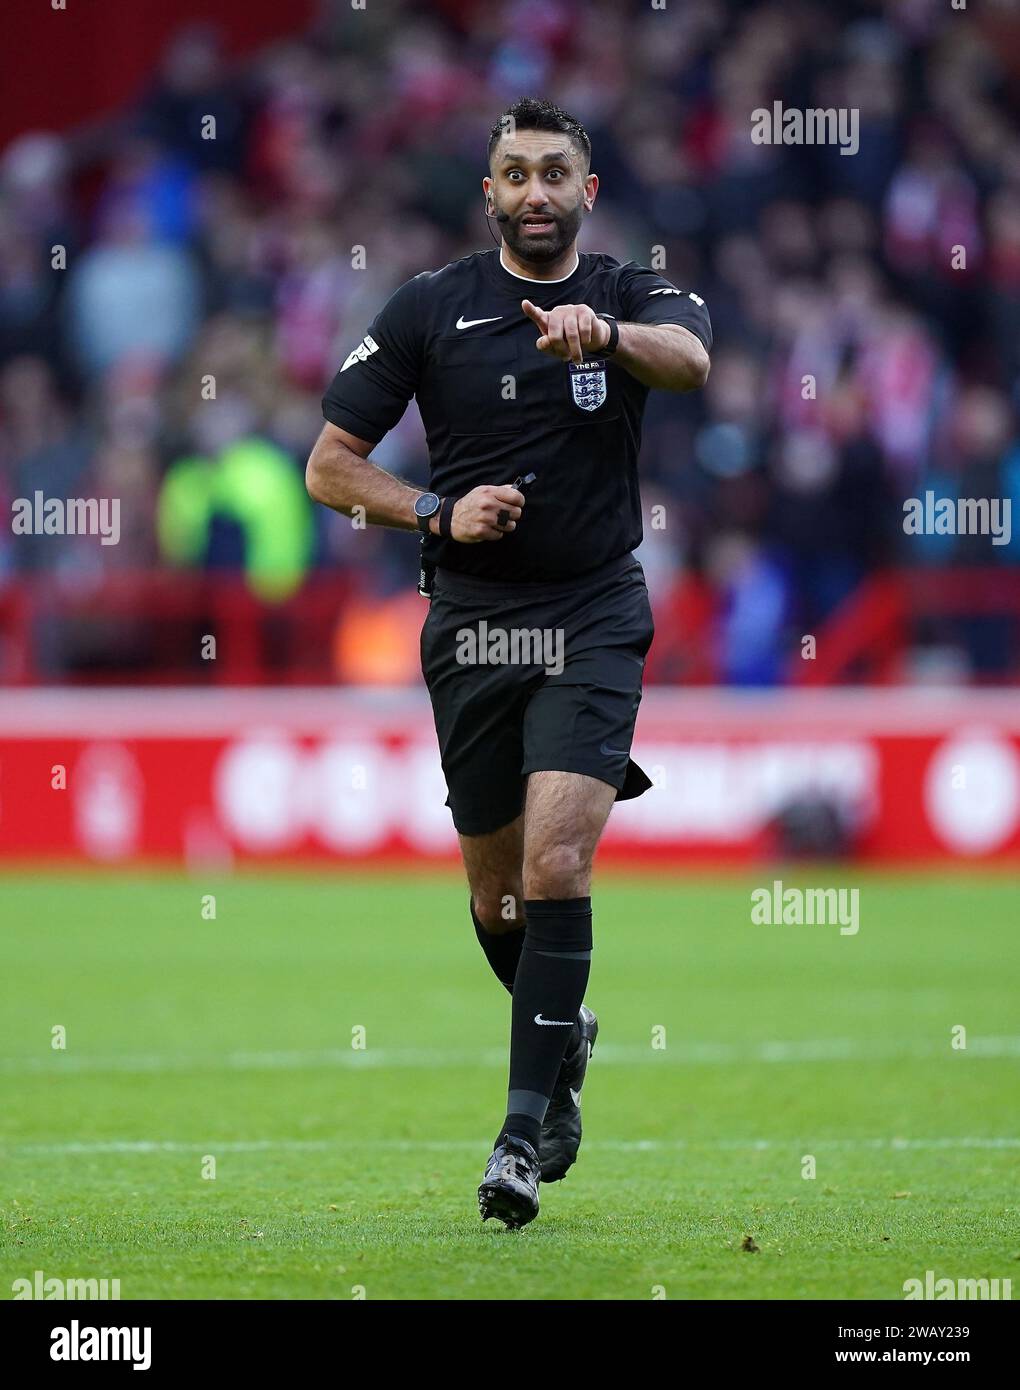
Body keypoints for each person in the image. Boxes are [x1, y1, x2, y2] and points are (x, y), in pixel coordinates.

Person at [306, 97, 711, 1229]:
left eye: (556, 173)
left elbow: (690, 359)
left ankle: (520, 1136)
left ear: (589, 190)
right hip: (475, 626)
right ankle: (565, 1032)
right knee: (496, 897)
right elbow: (330, 467)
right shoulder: (430, 309)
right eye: (515, 173)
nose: (536, 191)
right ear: (489, 192)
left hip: (593, 613)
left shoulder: (633, 291)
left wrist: (605, 335)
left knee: (557, 862)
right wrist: (436, 509)